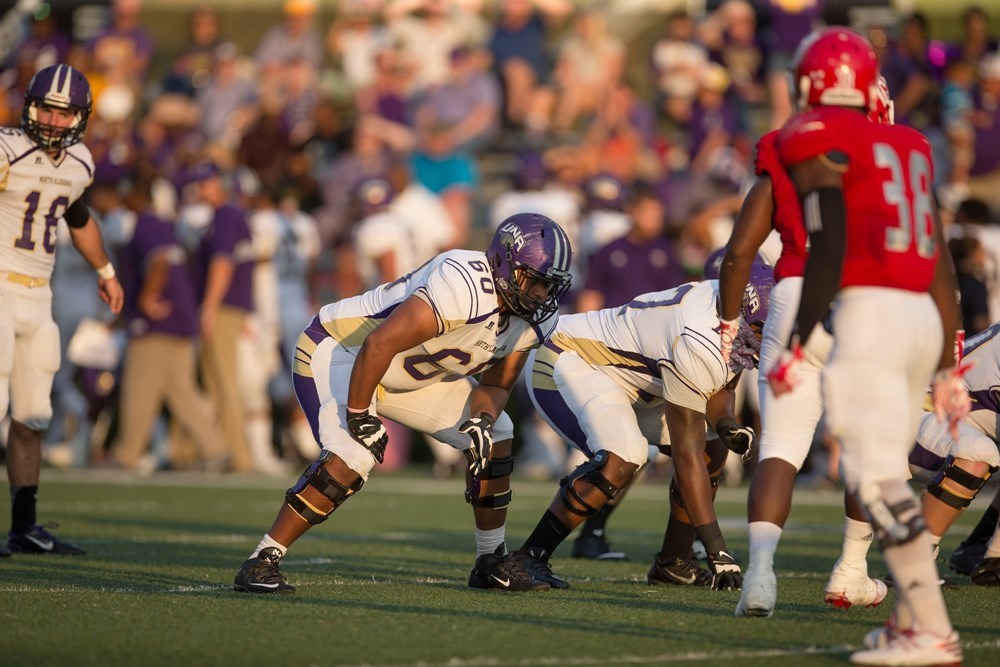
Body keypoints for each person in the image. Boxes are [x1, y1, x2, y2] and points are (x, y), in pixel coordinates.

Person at [233, 212, 573, 593]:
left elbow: (494, 387)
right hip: (342, 351)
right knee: (354, 453)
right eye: (534, 281)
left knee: (496, 433)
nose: (541, 295)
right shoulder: (465, 282)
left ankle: (491, 561)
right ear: (502, 261)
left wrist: (481, 419)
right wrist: (360, 414)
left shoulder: (534, 320)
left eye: (549, 286)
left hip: (410, 375)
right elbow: (379, 343)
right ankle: (261, 560)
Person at [765, 28, 966, 665]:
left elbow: (823, 247)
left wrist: (798, 341)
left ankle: (930, 630)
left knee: (877, 479)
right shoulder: (909, 145)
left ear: (813, 83)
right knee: (891, 474)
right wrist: (946, 361)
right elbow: (938, 259)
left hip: (873, 314)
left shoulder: (812, 137)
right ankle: (912, 621)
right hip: (920, 319)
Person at [721, 74, 896, 617]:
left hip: (794, 296)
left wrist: (729, 322)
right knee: (870, 448)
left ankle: (759, 575)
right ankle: (850, 569)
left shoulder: (786, 146)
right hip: (862, 303)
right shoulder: (894, 153)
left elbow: (739, 252)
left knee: (781, 447)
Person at [514, 264, 774, 589]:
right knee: (623, 457)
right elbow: (685, 454)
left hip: (630, 379)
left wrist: (725, 424)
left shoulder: (725, 310)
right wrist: (717, 549)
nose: (776, 338)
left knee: (712, 446)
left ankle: (674, 562)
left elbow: (722, 387)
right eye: (769, 328)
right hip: (567, 358)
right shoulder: (699, 336)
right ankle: (527, 558)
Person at [0, 64, 124, 556]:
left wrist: (107, 272)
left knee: (33, 416)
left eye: (63, 112)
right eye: (46, 110)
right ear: (30, 108)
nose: (53, 121)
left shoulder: (80, 163)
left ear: (80, 117)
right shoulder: (7, 148)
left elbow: (78, 217)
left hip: (39, 295)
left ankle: (24, 527)